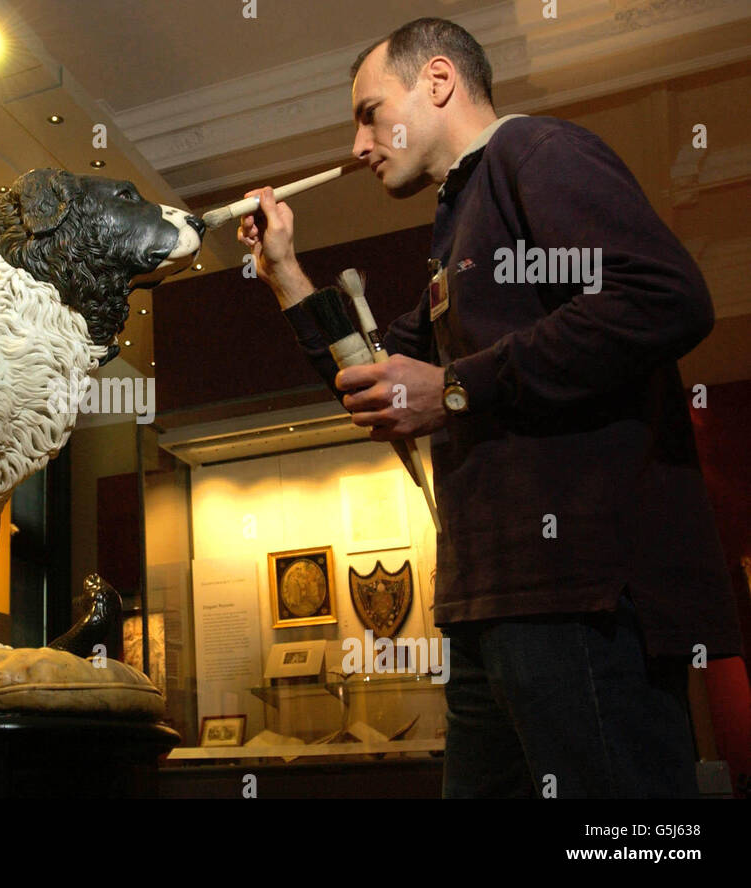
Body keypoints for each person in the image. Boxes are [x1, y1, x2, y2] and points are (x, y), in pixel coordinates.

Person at [237, 17, 743, 798]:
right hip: (489, 608)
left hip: (579, 599)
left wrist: (458, 387)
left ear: (437, 81)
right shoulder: (457, 224)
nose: (361, 144)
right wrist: (284, 274)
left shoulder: (536, 153)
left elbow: (663, 297)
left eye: (369, 112)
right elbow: (369, 374)